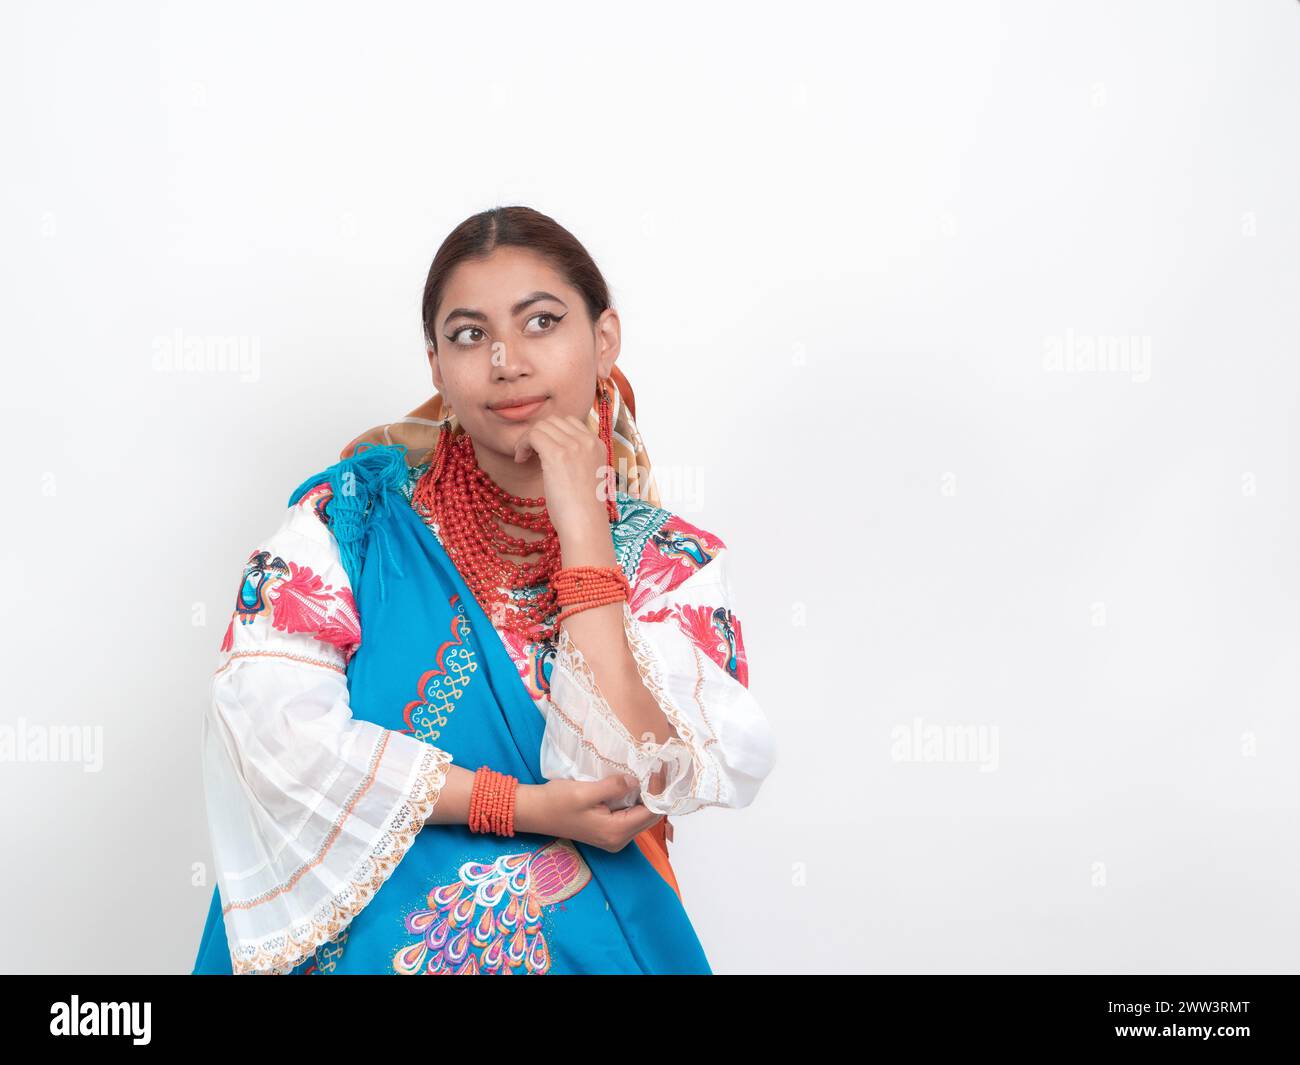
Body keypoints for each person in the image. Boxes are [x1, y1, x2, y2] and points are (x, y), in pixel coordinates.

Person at [191, 206, 777, 975]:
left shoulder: (671, 565)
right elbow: (273, 735)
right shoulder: (349, 525)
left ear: (604, 340)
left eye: (541, 322)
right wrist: (518, 806)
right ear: (435, 362)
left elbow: (629, 777)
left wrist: (584, 536)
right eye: (470, 335)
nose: (507, 359)